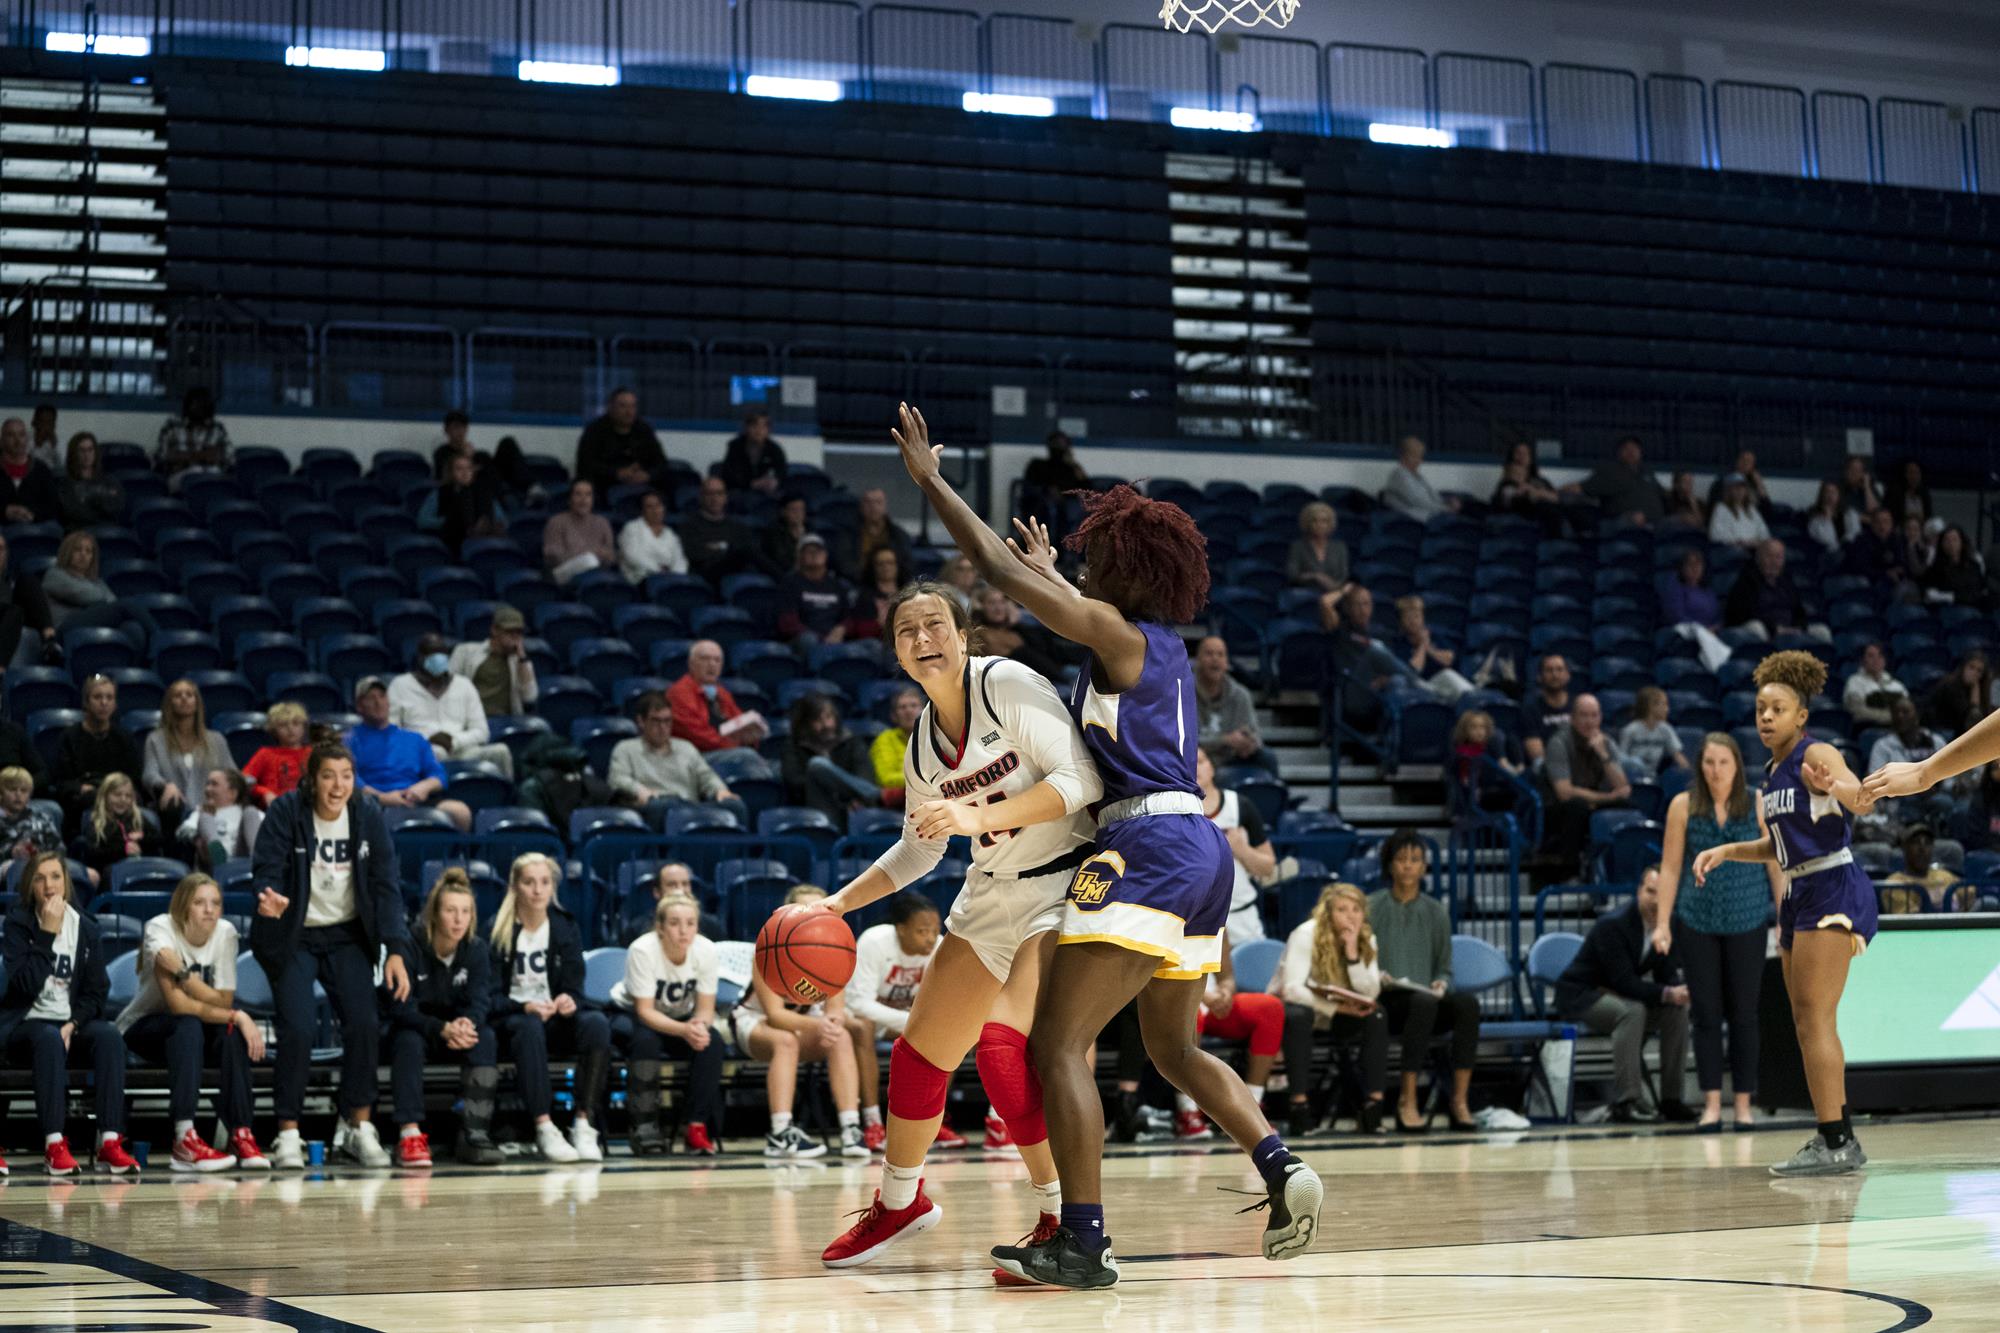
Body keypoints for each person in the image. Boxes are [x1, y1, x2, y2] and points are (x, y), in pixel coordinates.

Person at [892, 404, 1319, 1288]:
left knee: (1056, 1043)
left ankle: (1083, 1240)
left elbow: (992, 568)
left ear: (1123, 571)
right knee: (1173, 1049)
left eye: (1093, 561)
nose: (1081, 567)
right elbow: (1058, 603)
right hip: (1200, 849)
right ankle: (1282, 1166)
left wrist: (934, 482)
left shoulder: (1121, 636)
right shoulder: (1149, 647)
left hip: (1147, 845)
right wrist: (1055, 579)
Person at [815, 580, 1099, 1271]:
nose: (922, 638)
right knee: (919, 1055)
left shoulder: (1006, 683)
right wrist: (836, 905)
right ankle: (900, 1201)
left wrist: (976, 817)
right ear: (898, 656)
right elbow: (919, 847)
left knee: (1003, 1049)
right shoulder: (920, 746)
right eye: (907, 631)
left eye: (935, 624)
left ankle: (1061, 1219)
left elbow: (1081, 780)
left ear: (964, 635)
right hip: (990, 892)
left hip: (1062, 882)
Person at [1693, 651, 1878, 1175]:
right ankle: (1835, 1133)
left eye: (1778, 708)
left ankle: (1836, 1140)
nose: (1766, 717)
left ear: (1801, 715)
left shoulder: (1816, 752)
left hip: (1831, 885)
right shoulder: (1771, 775)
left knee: (1816, 1017)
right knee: (1805, 1020)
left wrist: (1837, 788)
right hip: (1799, 892)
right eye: (1760, 709)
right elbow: (1779, 847)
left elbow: (1856, 794)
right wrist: (1728, 851)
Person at [249, 740, 411, 1169]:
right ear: (311, 780)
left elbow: (386, 885)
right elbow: (265, 867)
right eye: (328, 776)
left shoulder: (367, 815)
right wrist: (270, 897)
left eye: (346, 776)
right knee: (298, 1029)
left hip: (347, 935)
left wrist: (395, 949)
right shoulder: (287, 811)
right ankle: (287, 1133)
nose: (338, 785)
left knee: (363, 1023)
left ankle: (358, 1126)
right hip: (295, 935)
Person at [1653, 733, 1778, 1129]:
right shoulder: (1683, 806)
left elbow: (1776, 862)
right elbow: (1671, 868)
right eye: (1708, 762)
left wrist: (1784, 913)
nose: (1716, 770)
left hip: (1748, 917)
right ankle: (1710, 1104)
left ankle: (1742, 1105)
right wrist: (1662, 924)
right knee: (1706, 1015)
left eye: (1723, 762)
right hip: (1697, 920)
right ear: (1699, 765)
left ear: (1737, 765)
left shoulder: (1757, 802)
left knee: (1745, 1014)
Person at [0, 851, 141, 1175]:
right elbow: (22, 986)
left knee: (108, 1036)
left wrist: (74, 1023)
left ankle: (109, 1140)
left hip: (67, 1025)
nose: (48, 885)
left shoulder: (86, 928)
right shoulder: (19, 924)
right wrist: (47, 934)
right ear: (29, 886)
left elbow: (96, 992)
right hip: (26, 1024)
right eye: (39, 878)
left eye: (55, 877)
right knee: (47, 1036)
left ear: (66, 883)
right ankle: (54, 1143)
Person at [115, 871, 265, 1170]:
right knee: (189, 1024)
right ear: (183, 906)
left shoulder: (225, 933)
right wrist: (229, 1010)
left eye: (215, 903)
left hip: (192, 1033)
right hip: (143, 1027)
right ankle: (184, 1138)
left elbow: (223, 1001)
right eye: (200, 902)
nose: (209, 910)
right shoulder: (160, 929)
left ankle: (241, 1133)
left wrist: (234, 1015)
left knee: (230, 1032)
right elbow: (177, 1004)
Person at [1365, 830, 1500, 1133]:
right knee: (1422, 1003)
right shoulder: (1371, 907)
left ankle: (1460, 1100)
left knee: (1467, 1004)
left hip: (1426, 997)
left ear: (1424, 866)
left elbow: (1444, 968)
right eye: (1402, 860)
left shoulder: (1437, 911)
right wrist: (1375, 975)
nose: (1408, 866)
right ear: (1390, 865)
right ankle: (1407, 1099)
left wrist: (1441, 983)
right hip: (1388, 1000)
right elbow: (1361, 961)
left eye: (1415, 860)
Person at [488, 852, 607, 1162]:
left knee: (596, 1023)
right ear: (514, 887)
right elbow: (489, 997)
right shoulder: (496, 930)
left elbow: (574, 985)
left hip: (555, 1020)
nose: (538, 890)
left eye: (544, 882)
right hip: (513, 1021)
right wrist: (524, 1006)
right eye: (529, 882)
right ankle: (544, 1126)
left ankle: (583, 1123)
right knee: (528, 1028)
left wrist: (569, 999)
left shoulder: (565, 926)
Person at [735, 884, 867, 1161]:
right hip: (754, 1021)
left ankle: (850, 1128)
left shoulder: (833, 951)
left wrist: (831, 1023)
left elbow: (835, 1011)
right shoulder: (770, 948)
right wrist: (821, 1026)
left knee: (840, 1036)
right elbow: (776, 1016)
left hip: (803, 1024)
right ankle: (780, 1133)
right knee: (786, 1041)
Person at [385, 867, 504, 1167]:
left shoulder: (475, 949)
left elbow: (481, 999)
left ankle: (475, 1132)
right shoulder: (411, 945)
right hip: (418, 1026)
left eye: (465, 911)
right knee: (407, 1042)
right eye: (451, 910)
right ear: (435, 914)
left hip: (455, 1029)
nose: (458, 919)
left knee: (485, 1037)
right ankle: (409, 1134)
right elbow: (400, 1008)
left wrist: (468, 1023)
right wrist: (441, 1028)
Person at [1555, 865, 1692, 1122]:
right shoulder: (1613, 925)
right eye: (1651, 891)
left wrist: (1678, 991)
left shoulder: (1671, 924)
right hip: (1583, 995)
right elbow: (1624, 982)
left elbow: (1668, 973)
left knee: (1677, 1011)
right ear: (1639, 891)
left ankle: (1672, 1100)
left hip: (1620, 995)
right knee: (1632, 1011)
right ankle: (1627, 1101)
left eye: (1662, 894)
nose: (1655, 900)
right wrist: (1667, 992)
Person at [609, 889, 723, 1158]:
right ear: (659, 927)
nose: (683, 931)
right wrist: (685, 1030)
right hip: (630, 1015)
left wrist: (698, 1028)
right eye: (674, 923)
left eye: (690, 923)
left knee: (712, 1042)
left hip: (680, 1017)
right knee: (645, 1040)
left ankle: (695, 1127)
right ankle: (644, 1125)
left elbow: (706, 1009)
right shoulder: (643, 950)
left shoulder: (706, 950)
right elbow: (645, 1011)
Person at [840, 893, 942, 1153]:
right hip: (869, 1019)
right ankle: (873, 1121)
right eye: (922, 931)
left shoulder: (939, 947)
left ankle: (932, 1119)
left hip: (904, 1021)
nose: (931, 937)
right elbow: (859, 1003)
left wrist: (916, 1022)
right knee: (863, 1027)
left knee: (946, 1034)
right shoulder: (874, 942)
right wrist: (910, 1020)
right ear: (901, 930)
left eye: (934, 930)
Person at [346, 677, 472, 832]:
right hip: (373, 803)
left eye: (382, 696)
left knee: (460, 812)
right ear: (359, 706)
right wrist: (382, 798)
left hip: (413, 799)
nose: (378, 703)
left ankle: (456, 856)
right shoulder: (350, 741)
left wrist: (423, 788)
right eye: (371, 698)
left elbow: (438, 775)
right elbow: (350, 781)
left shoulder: (414, 739)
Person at [607, 690, 744, 830]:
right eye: (656, 721)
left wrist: (720, 790)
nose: (662, 728)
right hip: (657, 806)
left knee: (734, 805)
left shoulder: (686, 748)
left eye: (667, 721)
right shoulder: (626, 749)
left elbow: (706, 776)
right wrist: (640, 791)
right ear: (641, 722)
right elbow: (617, 779)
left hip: (691, 807)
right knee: (662, 806)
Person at [389, 632, 514, 780]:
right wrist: (426, 741)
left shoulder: (464, 685)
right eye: (432, 653)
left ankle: (508, 799)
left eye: (442, 653)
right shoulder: (400, 685)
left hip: (462, 749)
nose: (438, 658)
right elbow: (392, 732)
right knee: (435, 753)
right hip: (422, 752)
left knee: (501, 751)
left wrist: (454, 741)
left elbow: (481, 731)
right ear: (420, 657)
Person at [1541, 694, 1634, 879]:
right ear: (1573, 718)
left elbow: (1623, 788)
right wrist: (1606, 798)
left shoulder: (1605, 742)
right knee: (1577, 807)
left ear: (1600, 717)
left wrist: (1603, 755)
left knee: (1629, 807)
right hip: (1556, 809)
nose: (1589, 721)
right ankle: (1569, 874)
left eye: (1594, 715)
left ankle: (1624, 873)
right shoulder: (1558, 742)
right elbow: (1564, 792)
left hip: (1591, 803)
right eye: (1584, 716)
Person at [1196, 749, 1273, 945]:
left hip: (1241, 917)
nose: (1195, 767)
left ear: (1212, 767)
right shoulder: (1177, 811)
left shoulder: (1240, 806)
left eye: (1201, 761)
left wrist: (1242, 850)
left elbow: (1268, 867)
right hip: (1198, 921)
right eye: (1188, 762)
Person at [43, 531, 157, 652]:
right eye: (78, 549)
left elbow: (110, 603)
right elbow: (86, 596)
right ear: (67, 552)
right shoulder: (55, 575)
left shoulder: (97, 582)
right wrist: (103, 603)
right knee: (126, 604)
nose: (83, 554)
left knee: (133, 628)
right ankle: (158, 637)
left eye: (88, 551)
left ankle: (132, 666)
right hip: (64, 627)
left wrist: (104, 604)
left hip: (93, 622)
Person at [52, 674, 142, 826]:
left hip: (120, 796)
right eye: (97, 697)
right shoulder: (69, 737)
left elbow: (135, 777)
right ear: (86, 702)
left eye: (109, 697)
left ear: (115, 704)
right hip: (84, 799)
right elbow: (61, 782)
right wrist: (80, 788)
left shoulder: (124, 737)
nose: (104, 702)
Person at [142, 678, 231, 829]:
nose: (184, 698)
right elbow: (149, 774)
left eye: (189, 695)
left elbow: (232, 774)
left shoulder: (216, 739)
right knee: (172, 804)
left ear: (197, 703)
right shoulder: (155, 739)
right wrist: (165, 786)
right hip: (174, 808)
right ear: (170, 704)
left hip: (211, 807)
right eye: (178, 695)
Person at [782, 693, 881, 819]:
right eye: (817, 720)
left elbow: (865, 774)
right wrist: (842, 794)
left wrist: (856, 799)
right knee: (817, 765)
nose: (826, 725)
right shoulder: (793, 746)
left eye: (829, 717)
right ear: (805, 723)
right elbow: (794, 783)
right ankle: (877, 795)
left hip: (853, 808)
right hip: (811, 809)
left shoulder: (851, 741)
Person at [1193, 635, 1277, 778]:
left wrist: (1248, 743)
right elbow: (1185, 741)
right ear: (1198, 660)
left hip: (1232, 758)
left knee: (1267, 757)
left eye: (1220, 654)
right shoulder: (1183, 692)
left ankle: (1278, 797)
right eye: (1209, 653)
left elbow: (1255, 735)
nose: (1215, 659)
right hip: (1199, 759)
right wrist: (1225, 740)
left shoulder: (1240, 694)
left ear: (1226, 662)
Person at [1867, 696, 1957, 829]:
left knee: (1945, 802)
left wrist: (1933, 785)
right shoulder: (1882, 746)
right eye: (1896, 713)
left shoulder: (1935, 741)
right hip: (1899, 800)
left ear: (1917, 716)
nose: (1900, 716)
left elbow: (1950, 778)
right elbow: (1875, 781)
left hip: (1934, 797)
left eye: (1905, 712)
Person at [667, 640, 768, 753]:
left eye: (717, 660)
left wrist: (750, 737)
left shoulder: (722, 692)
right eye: (705, 659)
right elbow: (697, 735)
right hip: (697, 755)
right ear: (691, 663)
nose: (712, 664)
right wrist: (735, 746)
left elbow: (738, 720)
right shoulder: (679, 693)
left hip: (727, 751)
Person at [449, 605, 538, 721]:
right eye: (510, 631)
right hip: (474, 720)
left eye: (519, 632)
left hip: (508, 720)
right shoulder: (466, 651)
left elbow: (530, 697)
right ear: (494, 630)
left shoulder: (520, 661)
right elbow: (448, 688)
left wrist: (522, 660)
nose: (515, 637)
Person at [575, 386, 667, 496]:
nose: (629, 412)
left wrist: (648, 475)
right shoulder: (594, 431)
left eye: (633, 406)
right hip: (604, 486)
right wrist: (617, 473)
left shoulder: (644, 429)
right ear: (610, 407)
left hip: (641, 486)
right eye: (623, 406)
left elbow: (661, 463)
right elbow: (585, 465)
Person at [970, 584, 1069, 681]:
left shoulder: (1016, 629)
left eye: (1002, 602)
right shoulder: (982, 634)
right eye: (992, 603)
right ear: (981, 607)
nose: (998, 608)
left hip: (1051, 673)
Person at [416, 451, 506, 556]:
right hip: (453, 535)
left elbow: (502, 519)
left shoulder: (483, 493)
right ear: (451, 472)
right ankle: (473, 528)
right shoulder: (440, 493)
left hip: (481, 538)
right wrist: (447, 521)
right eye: (459, 469)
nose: (465, 473)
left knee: (478, 491)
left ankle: (479, 530)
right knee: (465, 494)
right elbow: (423, 520)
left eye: (469, 468)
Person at [677, 474, 760, 585]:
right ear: (701, 497)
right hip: (706, 576)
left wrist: (717, 547)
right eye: (709, 494)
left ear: (725, 497)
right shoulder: (688, 526)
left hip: (737, 575)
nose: (715, 498)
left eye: (719, 493)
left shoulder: (738, 527)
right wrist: (727, 548)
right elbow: (695, 554)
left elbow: (751, 551)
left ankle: (783, 580)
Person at [775, 533, 852, 649]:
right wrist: (821, 639)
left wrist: (842, 629)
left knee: (871, 645)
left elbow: (848, 617)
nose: (814, 554)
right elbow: (788, 623)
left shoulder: (837, 585)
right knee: (809, 640)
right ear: (800, 557)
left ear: (825, 555)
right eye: (809, 551)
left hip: (835, 640)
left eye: (818, 551)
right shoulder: (790, 583)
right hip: (805, 640)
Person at [1724, 540, 1813, 639]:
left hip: (1790, 629)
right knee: (1756, 627)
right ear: (1758, 558)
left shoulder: (1787, 582)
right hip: (1766, 630)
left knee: (1822, 631)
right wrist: (1774, 629)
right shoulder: (1746, 581)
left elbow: (1799, 611)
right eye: (1769, 556)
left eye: (1778, 557)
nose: (1774, 561)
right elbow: (1745, 615)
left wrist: (1798, 627)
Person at [1391, 595, 1475, 699]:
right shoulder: (1398, 643)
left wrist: (1429, 649)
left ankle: (1473, 698)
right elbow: (1414, 671)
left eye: (1417, 616)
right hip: (1415, 686)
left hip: (1439, 682)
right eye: (1408, 617)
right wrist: (1422, 646)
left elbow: (1448, 659)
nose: (1413, 622)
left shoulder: (1434, 635)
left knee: (1448, 675)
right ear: (1401, 621)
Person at [178, 768, 263, 870]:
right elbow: (182, 832)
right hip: (212, 865)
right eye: (207, 784)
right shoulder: (200, 813)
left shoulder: (248, 812)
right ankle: (217, 854)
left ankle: (259, 863)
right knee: (205, 816)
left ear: (232, 793)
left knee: (251, 812)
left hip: (243, 860)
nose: (208, 789)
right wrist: (196, 838)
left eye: (214, 784)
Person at [1568, 435, 1663, 526]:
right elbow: (1579, 488)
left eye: (1635, 448)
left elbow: (1663, 495)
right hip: (1625, 523)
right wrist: (1556, 494)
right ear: (1619, 452)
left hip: (1656, 524)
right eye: (1626, 448)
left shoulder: (1647, 473)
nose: (1631, 451)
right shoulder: (1611, 471)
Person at [1879, 822, 1972, 914]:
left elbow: (1970, 898)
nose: (1922, 848)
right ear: (1904, 848)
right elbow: (1910, 922)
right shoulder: (1894, 883)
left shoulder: (1944, 876)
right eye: (1916, 842)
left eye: (1927, 843)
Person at [75, 772, 157, 875]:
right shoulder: (96, 821)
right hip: (111, 870)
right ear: (105, 796)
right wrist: (123, 850)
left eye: (128, 796)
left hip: (140, 867)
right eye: (117, 795)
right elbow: (94, 853)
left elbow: (158, 839)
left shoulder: (136, 817)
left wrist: (142, 837)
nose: (123, 800)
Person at [0, 531, 58, 671]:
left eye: (1, 549)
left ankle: (49, 639)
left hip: (10, 618)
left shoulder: (10, 582)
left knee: (27, 581)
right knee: (14, 612)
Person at [155, 386, 231, 491]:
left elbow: (228, 457)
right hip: (178, 476)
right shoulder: (172, 426)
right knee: (196, 471)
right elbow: (162, 456)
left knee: (213, 474)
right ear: (187, 405)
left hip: (210, 473)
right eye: (195, 404)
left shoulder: (217, 428)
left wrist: (184, 455)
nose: (199, 408)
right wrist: (203, 456)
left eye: (203, 404)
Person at [834, 488, 916, 584]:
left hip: (892, 586)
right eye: (868, 502)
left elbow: (907, 565)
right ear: (861, 506)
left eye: (878, 502)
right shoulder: (848, 534)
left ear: (885, 506)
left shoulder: (899, 535)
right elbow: (844, 564)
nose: (873, 507)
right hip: (858, 584)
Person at [542, 479, 616, 584]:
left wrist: (604, 556)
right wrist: (591, 553)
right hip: (563, 573)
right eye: (578, 494)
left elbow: (610, 556)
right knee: (590, 560)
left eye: (588, 495)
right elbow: (553, 556)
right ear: (570, 499)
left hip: (596, 572)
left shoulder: (602, 522)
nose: (583, 499)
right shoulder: (556, 521)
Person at [241, 702, 311, 809]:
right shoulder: (265, 754)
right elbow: (244, 779)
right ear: (274, 730)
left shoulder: (313, 753)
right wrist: (264, 792)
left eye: (296, 723)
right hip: (275, 810)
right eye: (283, 725)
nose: (290, 729)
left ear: (303, 727)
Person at [1450, 709, 1522, 814]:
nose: (1479, 731)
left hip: (1494, 786)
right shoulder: (1463, 751)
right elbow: (1463, 777)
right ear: (1465, 730)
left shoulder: (1491, 746)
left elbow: (1502, 765)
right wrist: (1473, 788)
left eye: (1482, 727)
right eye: (1473, 727)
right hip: (1473, 791)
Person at [1491, 442, 1567, 535]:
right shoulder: (1507, 483)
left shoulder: (1540, 480)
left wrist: (1536, 491)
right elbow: (1506, 502)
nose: (1522, 457)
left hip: (1550, 513)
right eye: (1518, 453)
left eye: (1525, 453)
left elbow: (1555, 498)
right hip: (1527, 518)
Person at [0, 417, 63, 525]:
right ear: (2, 440)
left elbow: (54, 506)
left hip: (35, 527)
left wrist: (32, 514)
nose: (18, 440)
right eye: (11, 435)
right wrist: (4, 511)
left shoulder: (41, 469)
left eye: (22, 435)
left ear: (27, 438)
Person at [839, 546, 909, 643]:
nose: (886, 567)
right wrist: (878, 624)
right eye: (880, 564)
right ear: (873, 568)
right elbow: (861, 630)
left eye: (890, 562)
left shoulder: (909, 595)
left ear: (898, 565)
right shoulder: (865, 596)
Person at [56, 431, 125, 530]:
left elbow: (118, 506)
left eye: (90, 450)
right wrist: (102, 499)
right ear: (74, 454)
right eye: (82, 450)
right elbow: (73, 513)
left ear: (95, 452)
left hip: (107, 532)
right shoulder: (65, 484)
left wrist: (89, 501)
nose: (87, 454)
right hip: (78, 533)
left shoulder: (110, 481)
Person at [616, 489, 688, 583]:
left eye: (658, 505)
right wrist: (658, 570)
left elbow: (679, 560)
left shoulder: (670, 534)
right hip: (640, 579)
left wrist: (675, 575)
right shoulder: (632, 528)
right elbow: (632, 556)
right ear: (642, 510)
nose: (655, 510)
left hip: (670, 580)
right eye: (649, 507)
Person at [1379, 435, 1455, 522]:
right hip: (1411, 522)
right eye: (1415, 456)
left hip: (1429, 516)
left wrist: (1448, 502)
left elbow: (1433, 496)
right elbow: (1418, 501)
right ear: (1403, 457)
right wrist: (1446, 509)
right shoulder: (1399, 475)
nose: (1419, 461)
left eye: (1420, 457)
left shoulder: (1418, 476)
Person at [867, 687, 921, 808]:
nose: (908, 711)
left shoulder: (937, 738)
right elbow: (885, 779)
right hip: (897, 803)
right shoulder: (884, 739)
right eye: (902, 707)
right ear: (894, 716)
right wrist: (921, 779)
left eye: (914, 705)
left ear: (924, 711)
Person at [1619, 686, 1689, 776]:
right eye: (1664, 704)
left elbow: (1678, 756)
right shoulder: (1630, 730)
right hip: (1632, 778)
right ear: (1651, 706)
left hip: (1653, 777)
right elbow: (1620, 761)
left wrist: (1689, 774)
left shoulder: (1666, 729)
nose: (1667, 709)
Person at [1520, 653, 1573, 765]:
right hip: (1549, 768)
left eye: (1559, 669)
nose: (1555, 675)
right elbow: (1537, 755)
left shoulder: (1578, 705)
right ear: (1540, 677)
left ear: (1568, 675)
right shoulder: (1530, 709)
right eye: (1549, 670)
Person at [1286, 503, 1350, 596]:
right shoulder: (1298, 546)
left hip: (1334, 594)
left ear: (1330, 524)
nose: (1319, 525)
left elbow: (1344, 576)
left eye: (1324, 521)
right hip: (1306, 595)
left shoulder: (1340, 547)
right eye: (1314, 521)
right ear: (1307, 523)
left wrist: (1334, 587)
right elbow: (1292, 575)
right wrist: (1316, 576)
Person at [1924, 651, 1991, 738]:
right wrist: (1975, 700)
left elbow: (1982, 721)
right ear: (1963, 667)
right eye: (1971, 667)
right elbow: (1970, 719)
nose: (1974, 673)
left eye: (1979, 671)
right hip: (1941, 730)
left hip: (1960, 733)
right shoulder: (1950, 685)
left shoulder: (1980, 690)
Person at [718, 410, 788, 493]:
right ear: (747, 427)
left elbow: (782, 474)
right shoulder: (735, 447)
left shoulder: (775, 449)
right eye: (755, 425)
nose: (759, 430)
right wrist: (751, 483)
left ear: (768, 430)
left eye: (763, 426)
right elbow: (729, 476)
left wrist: (774, 481)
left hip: (766, 494)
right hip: (740, 492)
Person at [1843, 643, 1908, 730]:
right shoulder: (1854, 682)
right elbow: (1858, 712)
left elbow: (1907, 711)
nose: (1876, 659)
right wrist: (1892, 716)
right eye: (1871, 656)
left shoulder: (1896, 684)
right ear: (1863, 660)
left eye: (1880, 656)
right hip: (1869, 730)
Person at [1922, 526, 1988, 609]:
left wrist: (1949, 596)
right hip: (1948, 609)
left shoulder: (1973, 566)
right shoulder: (1936, 568)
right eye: (1947, 540)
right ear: (1941, 544)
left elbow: (1976, 592)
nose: (1951, 543)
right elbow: (1930, 594)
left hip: (1973, 608)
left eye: (1954, 539)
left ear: (1962, 542)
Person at [1708, 474, 1770, 549]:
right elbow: (1716, 534)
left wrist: (1759, 542)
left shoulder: (1751, 509)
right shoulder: (1721, 508)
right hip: (1734, 548)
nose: (1740, 490)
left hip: (1755, 547)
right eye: (1736, 487)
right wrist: (1739, 542)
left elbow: (1764, 532)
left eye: (1742, 487)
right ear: (1729, 490)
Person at [758, 493, 814, 576]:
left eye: (801, 509)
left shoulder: (810, 529)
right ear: (783, 512)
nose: (798, 514)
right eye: (794, 510)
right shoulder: (773, 532)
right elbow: (782, 561)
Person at [1704, 450, 1771, 515]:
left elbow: (1768, 512)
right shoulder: (1722, 483)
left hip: (1752, 520)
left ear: (1753, 467)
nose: (1745, 463)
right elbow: (1715, 508)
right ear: (1737, 462)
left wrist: (1760, 485)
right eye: (1743, 460)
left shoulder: (1754, 485)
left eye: (1749, 461)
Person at [1804, 480, 1860, 556]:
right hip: (1827, 555)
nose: (1830, 496)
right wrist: (1827, 519)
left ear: (1839, 495)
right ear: (1822, 495)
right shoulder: (1814, 518)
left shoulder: (1849, 513)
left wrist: (1845, 545)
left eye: (1833, 492)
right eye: (1827, 492)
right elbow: (1826, 541)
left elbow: (1855, 533)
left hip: (1850, 551)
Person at [1882, 459, 1931, 525]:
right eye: (1911, 472)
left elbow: (1929, 516)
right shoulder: (1894, 492)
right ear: (1904, 474)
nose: (1914, 477)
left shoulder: (1924, 493)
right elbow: (1890, 514)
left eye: (1917, 473)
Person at [27, 404, 59, 470]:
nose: (46, 426)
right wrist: (38, 444)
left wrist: (53, 447)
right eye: (43, 421)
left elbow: (57, 466)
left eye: (50, 422)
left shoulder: (52, 439)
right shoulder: (24, 438)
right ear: (34, 422)